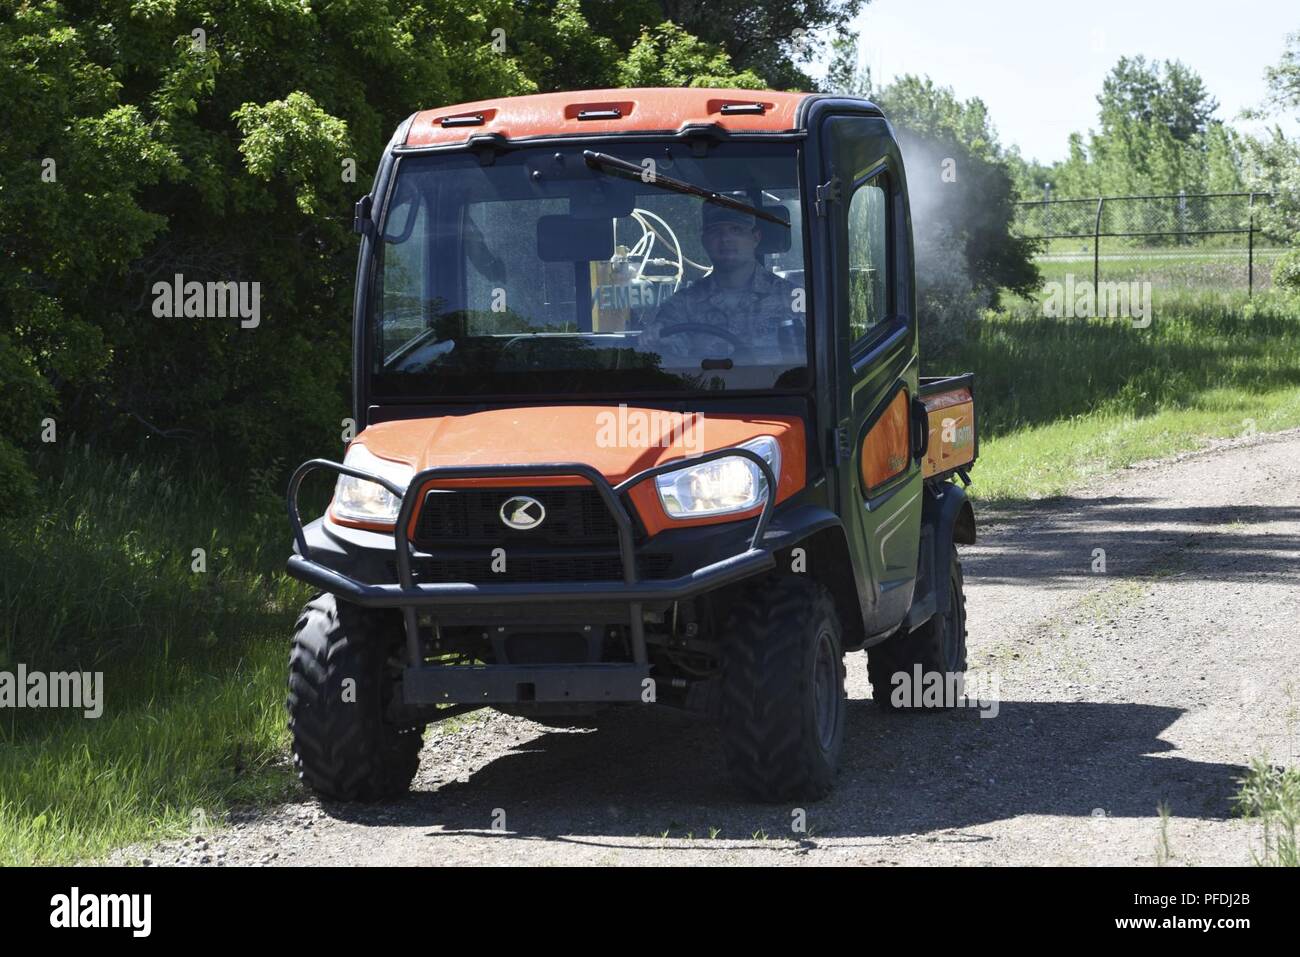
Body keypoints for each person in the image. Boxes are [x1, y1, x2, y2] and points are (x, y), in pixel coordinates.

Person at [640, 199, 802, 360]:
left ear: (755, 238)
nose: (725, 239)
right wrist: (654, 339)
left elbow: (816, 357)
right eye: (716, 231)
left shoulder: (792, 298)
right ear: (704, 241)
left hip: (782, 386)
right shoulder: (682, 305)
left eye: (736, 230)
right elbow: (666, 358)